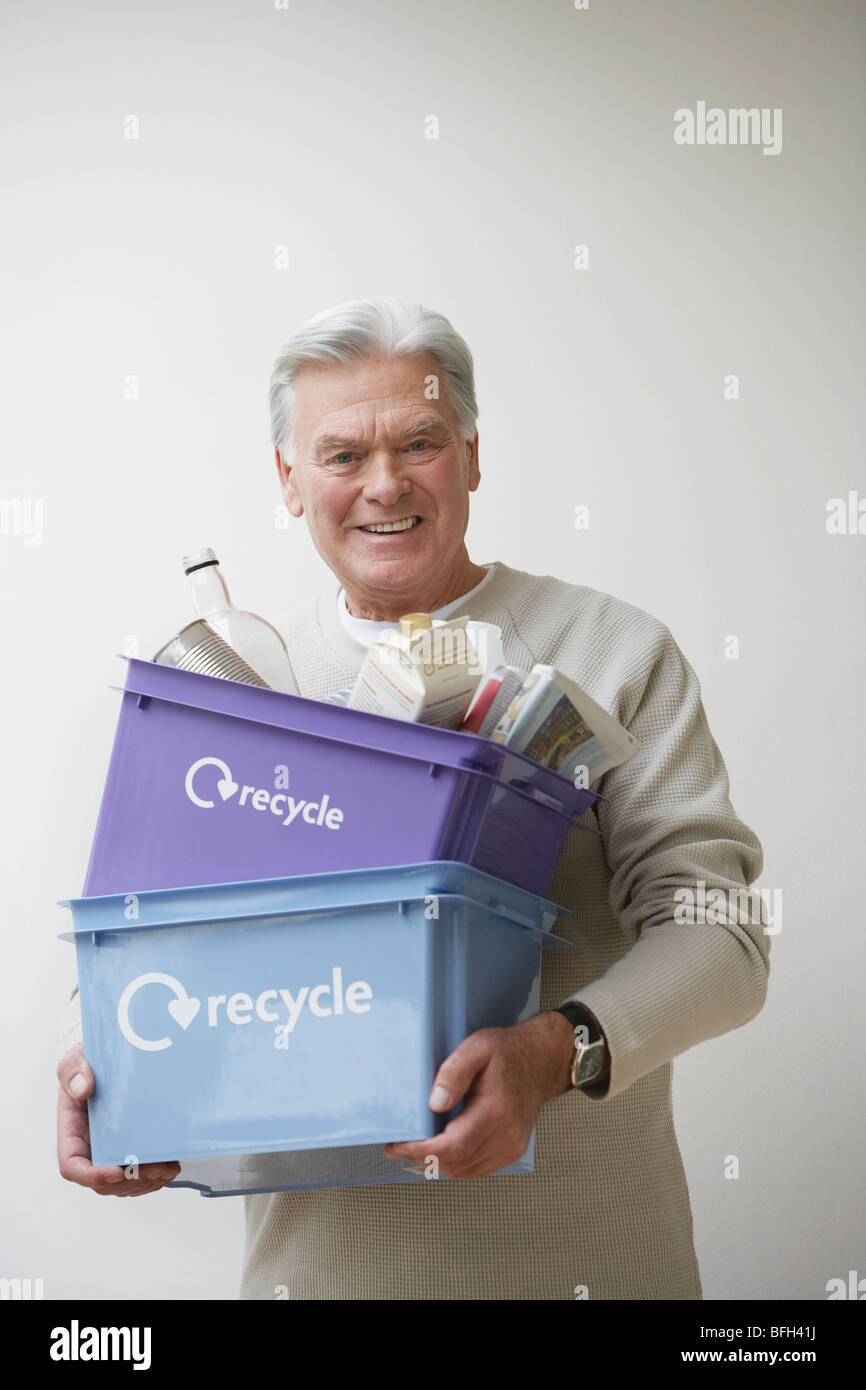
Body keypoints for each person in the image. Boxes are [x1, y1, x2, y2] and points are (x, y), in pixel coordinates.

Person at [57, 298, 770, 1299]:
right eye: (341, 455)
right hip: (320, 1278)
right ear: (288, 481)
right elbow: (166, 950)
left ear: (471, 455)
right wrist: (117, 1071)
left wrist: (551, 1049)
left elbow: (722, 938)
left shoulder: (616, 651)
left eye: (420, 442)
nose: (383, 484)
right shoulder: (234, 689)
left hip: (592, 1270)